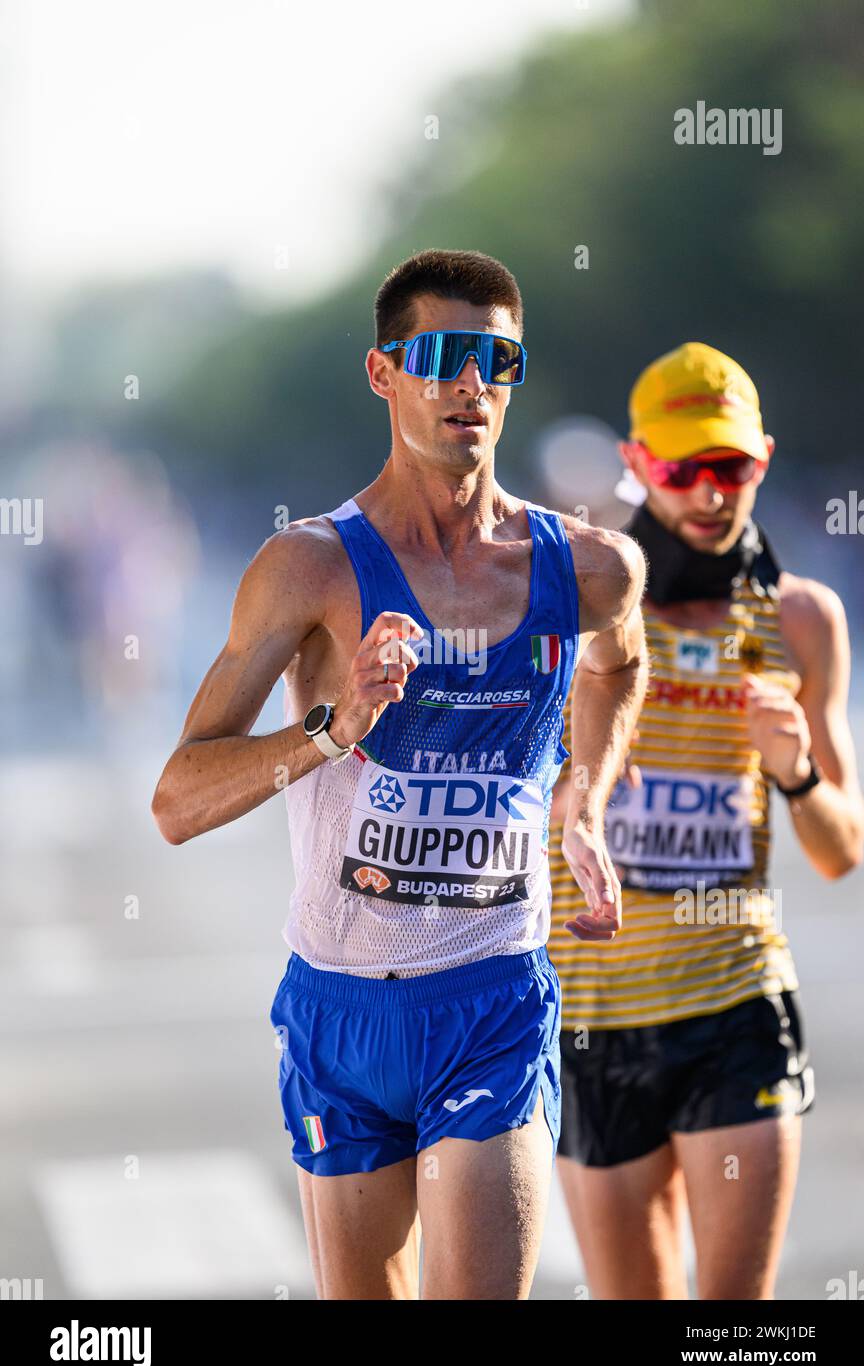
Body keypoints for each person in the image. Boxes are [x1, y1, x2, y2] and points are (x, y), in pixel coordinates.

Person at [151, 249, 647, 1300]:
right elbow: (178, 799)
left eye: (497, 359)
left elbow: (620, 659)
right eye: (444, 356)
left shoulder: (589, 567)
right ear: (384, 373)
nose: (472, 383)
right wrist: (336, 728)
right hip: (338, 1008)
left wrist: (583, 796)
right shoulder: (310, 567)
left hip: (491, 993)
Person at [547, 342, 864, 1300]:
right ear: (641, 466)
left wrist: (798, 773)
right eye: (683, 469)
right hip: (591, 1017)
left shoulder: (801, 620)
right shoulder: (576, 601)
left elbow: (842, 853)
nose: (709, 492)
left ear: (760, 460)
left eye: (729, 467)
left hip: (735, 1001)